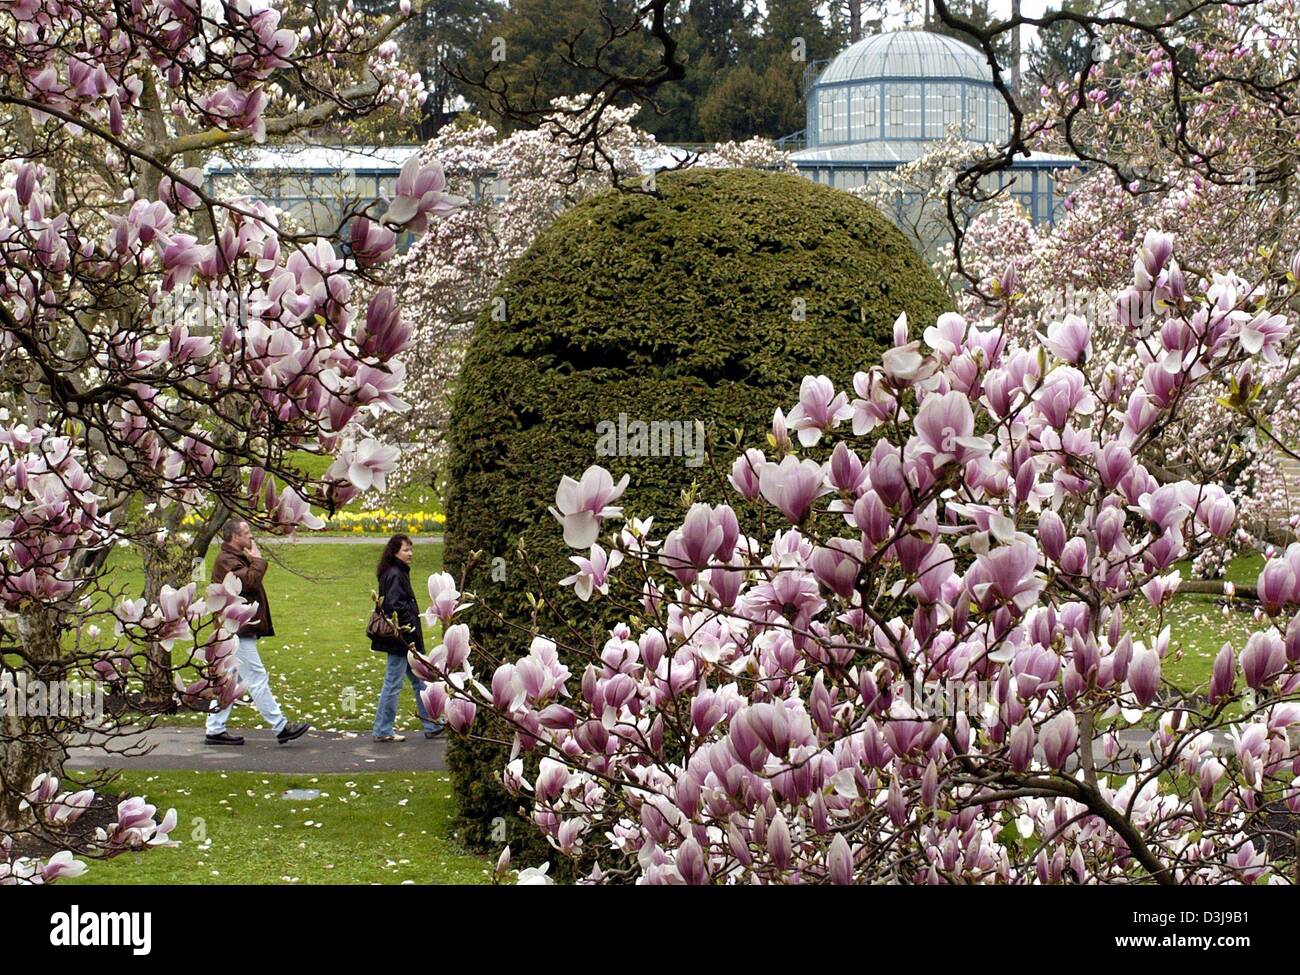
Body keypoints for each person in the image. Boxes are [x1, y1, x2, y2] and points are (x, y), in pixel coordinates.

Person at [204, 519, 310, 746]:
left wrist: (254, 560)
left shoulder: (234, 558)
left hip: (237, 628)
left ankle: (214, 729)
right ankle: (280, 726)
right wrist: (259, 561)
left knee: (229, 681)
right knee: (257, 677)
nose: (250, 536)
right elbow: (249, 582)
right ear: (234, 537)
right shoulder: (226, 561)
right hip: (236, 629)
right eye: (246, 532)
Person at [371, 533, 444, 742]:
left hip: (404, 637)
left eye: (411, 549)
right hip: (401, 639)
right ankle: (383, 729)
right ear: (395, 552)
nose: (410, 553)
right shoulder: (395, 574)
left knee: (420, 680)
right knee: (394, 683)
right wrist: (409, 628)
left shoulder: (395, 571)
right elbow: (394, 605)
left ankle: (431, 724)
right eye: (406, 550)